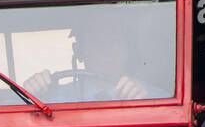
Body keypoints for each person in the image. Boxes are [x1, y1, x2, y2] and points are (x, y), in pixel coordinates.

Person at [22, 18, 155, 103]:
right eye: (95, 41)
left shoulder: (153, 96)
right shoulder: (54, 98)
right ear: (79, 50)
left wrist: (145, 105)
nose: (105, 48)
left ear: (128, 48)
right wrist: (30, 95)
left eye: (113, 40)